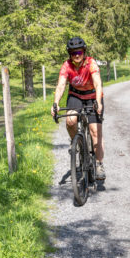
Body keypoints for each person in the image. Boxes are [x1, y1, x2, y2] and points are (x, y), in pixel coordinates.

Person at [51, 36, 106, 180]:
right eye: (74, 52)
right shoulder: (66, 66)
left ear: (84, 52)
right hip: (75, 96)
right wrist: (55, 103)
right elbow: (61, 85)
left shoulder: (91, 63)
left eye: (79, 52)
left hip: (92, 96)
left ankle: (99, 164)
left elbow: (97, 83)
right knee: (70, 120)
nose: (77, 55)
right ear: (70, 53)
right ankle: (77, 143)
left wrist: (98, 102)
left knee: (95, 131)